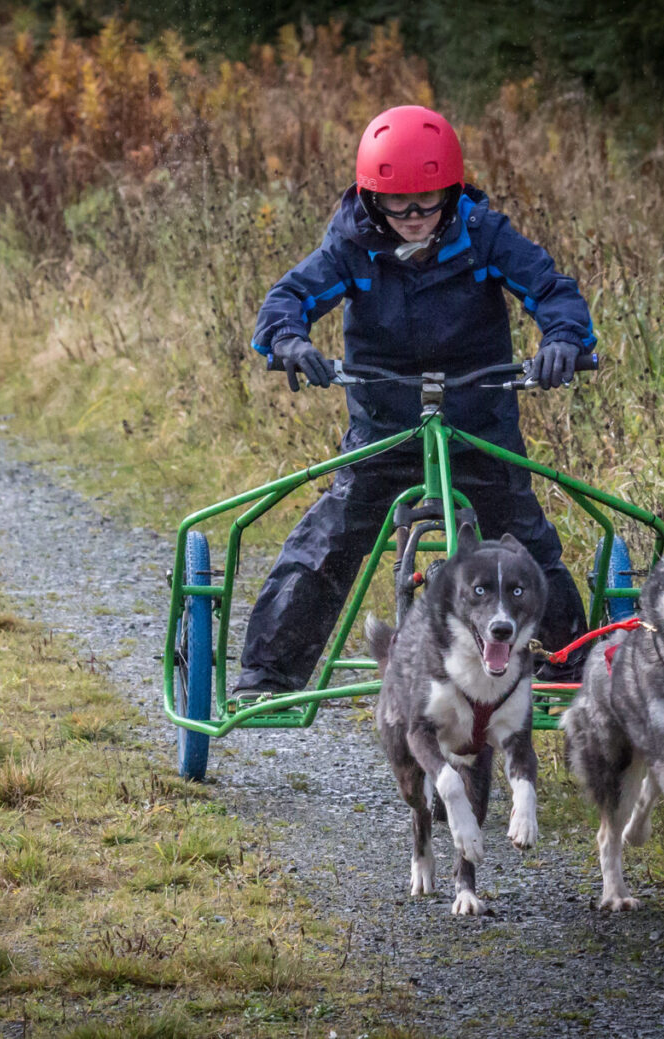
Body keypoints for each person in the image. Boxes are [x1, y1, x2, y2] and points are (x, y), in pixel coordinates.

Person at [234, 104, 594, 696]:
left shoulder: (485, 237)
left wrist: (562, 339)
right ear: (371, 198)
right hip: (386, 431)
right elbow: (289, 296)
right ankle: (269, 673)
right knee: (331, 537)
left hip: (478, 426)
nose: (413, 217)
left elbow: (552, 289)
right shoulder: (352, 245)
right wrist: (289, 339)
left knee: (523, 541)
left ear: (450, 193)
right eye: (396, 204)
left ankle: (567, 663)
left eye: (427, 203)